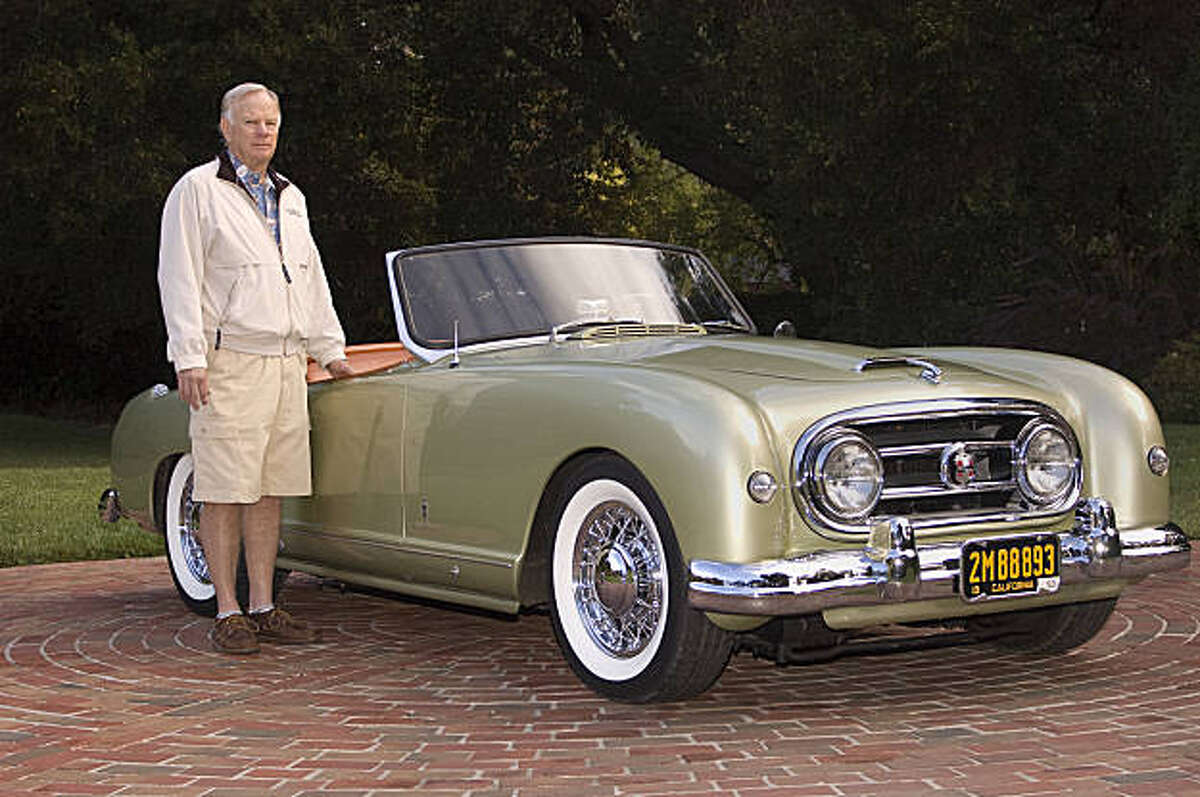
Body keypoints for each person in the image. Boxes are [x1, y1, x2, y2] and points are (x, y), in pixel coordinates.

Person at [158, 82, 353, 654]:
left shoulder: (291, 196)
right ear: (225, 127)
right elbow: (179, 277)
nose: (263, 131)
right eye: (250, 122)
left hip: (287, 364)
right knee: (224, 490)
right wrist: (189, 357)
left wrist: (331, 350)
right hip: (229, 363)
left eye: (270, 122)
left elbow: (310, 278)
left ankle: (265, 605)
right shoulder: (196, 191)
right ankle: (227, 612)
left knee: (269, 491)